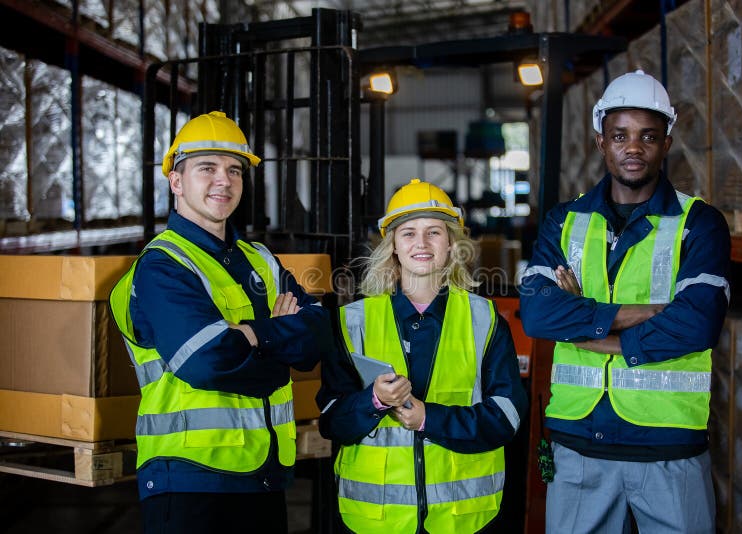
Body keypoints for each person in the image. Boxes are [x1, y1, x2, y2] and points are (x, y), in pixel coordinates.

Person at [519, 69, 731, 533]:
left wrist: (594, 336)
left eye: (647, 136)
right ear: (601, 142)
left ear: (666, 143)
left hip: (669, 447)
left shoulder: (700, 224)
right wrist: (645, 313)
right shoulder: (563, 222)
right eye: (620, 135)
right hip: (579, 445)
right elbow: (536, 313)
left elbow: (697, 324)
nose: (633, 148)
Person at [109, 111, 332, 533]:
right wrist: (275, 340)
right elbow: (208, 362)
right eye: (207, 168)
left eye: (234, 170)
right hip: (190, 479)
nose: (224, 181)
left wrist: (248, 336)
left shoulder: (259, 259)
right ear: (176, 181)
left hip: (264, 474)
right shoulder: (162, 266)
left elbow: (317, 336)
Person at [317, 178, 528, 534]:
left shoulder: (485, 320)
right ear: (394, 247)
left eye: (434, 232)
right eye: (409, 233)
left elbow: (506, 418)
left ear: (451, 245)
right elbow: (331, 421)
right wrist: (374, 400)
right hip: (375, 520)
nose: (422, 244)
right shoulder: (352, 322)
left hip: (464, 519)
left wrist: (430, 418)